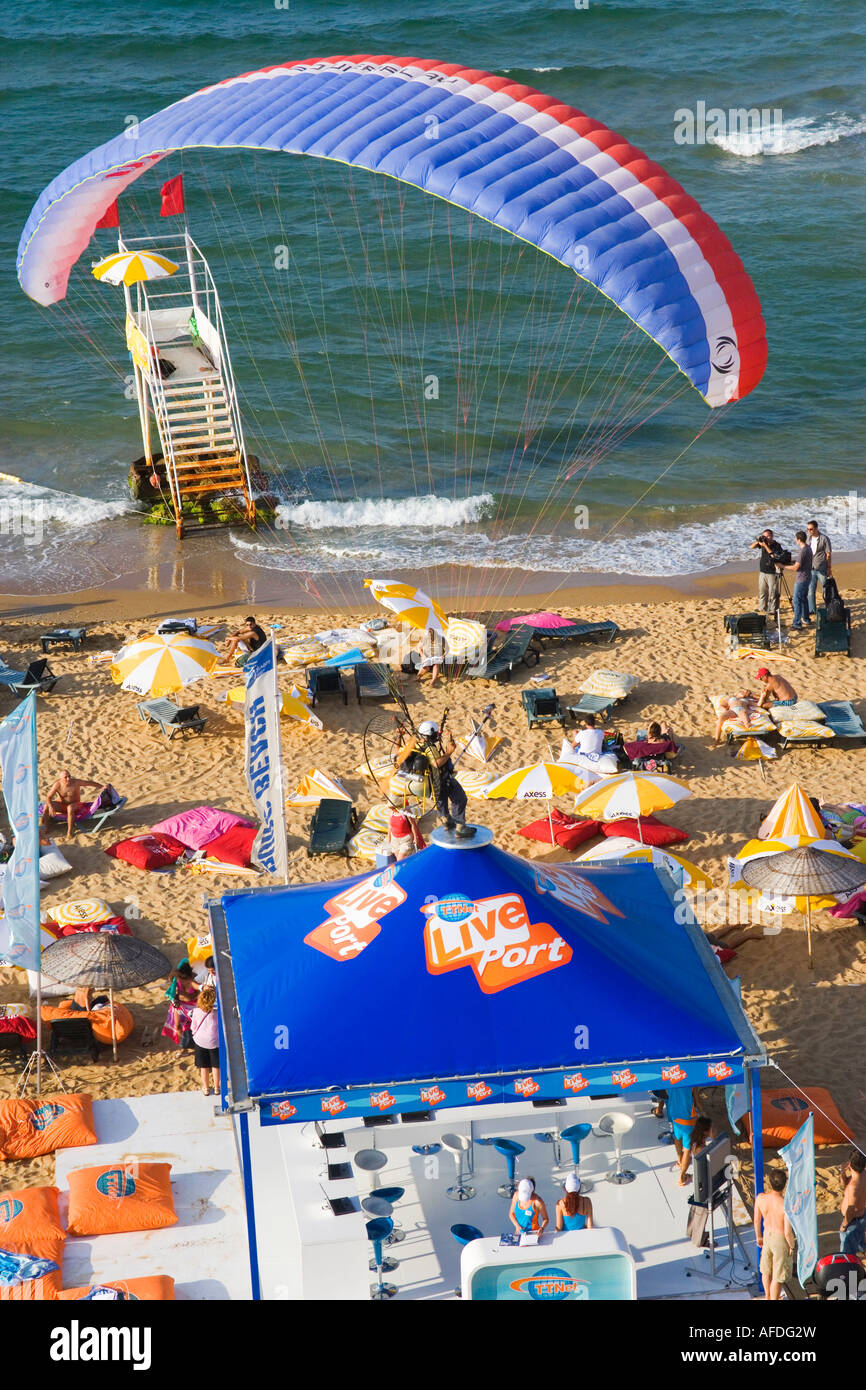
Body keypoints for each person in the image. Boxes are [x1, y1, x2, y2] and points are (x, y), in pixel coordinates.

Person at [416, 720, 474, 838]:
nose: (437, 736)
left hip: (432, 781)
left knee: (441, 797)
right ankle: (460, 827)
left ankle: (446, 821)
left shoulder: (416, 745)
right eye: (435, 734)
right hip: (441, 778)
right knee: (460, 798)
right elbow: (436, 763)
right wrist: (449, 752)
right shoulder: (430, 748)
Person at [754, 1168, 796, 1300]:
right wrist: (792, 1246)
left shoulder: (761, 1198)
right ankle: (774, 1298)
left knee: (766, 1269)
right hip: (780, 1239)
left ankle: (767, 1296)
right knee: (778, 1274)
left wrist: (758, 1236)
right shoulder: (785, 1205)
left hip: (767, 1235)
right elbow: (788, 1232)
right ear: (784, 1185)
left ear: (770, 1182)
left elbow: (756, 1220)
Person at [41, 770, 111, 836]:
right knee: (46, 806)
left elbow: (89, 783)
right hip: (63, 805)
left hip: (76, 805)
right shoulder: (57, 784)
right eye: (66, 777)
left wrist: (101, 786)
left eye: (69, 776)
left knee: (70, 808)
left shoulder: (76, 782)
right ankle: (47, 828)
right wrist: (50, 807)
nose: (68, 779)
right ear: (61, 779)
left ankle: (69, 832)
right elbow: (48, 797)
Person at [190, 985, 221, 1097]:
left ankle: (206, 1088)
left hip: (200, 1041)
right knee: (216, 1066)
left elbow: (193, 1027)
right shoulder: (218, 1013)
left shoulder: (196, 1011)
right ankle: (217, 1088)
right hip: (215, 1042)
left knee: (204, 1067)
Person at [162, 961, 199, 1047]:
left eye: (184, 978)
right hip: (179, 1006)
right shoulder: (178, 977)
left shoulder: (194, 981)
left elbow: (194, 994)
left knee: (193, 1027)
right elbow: (171, 978)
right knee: (178, 1026)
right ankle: (182, 1046)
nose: (182, 980)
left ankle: (192, 1044)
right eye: (181, 977)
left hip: (192, 1007)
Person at [750, 529, 785, 620]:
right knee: (762, 591)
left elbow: (773, 555)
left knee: (773, 593)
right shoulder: (763, 543)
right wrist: (759, 541)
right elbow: (751, 547)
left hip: (772, 572)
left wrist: (765, 545)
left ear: (771, 536)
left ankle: (773, 609)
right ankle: (762, 607)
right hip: (763, 571)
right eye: (764, 536)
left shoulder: (776, 545)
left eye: (767, 536)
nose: (765, 538)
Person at [781, 531, 813, 632]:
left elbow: (796, 568)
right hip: (807, 576)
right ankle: (806, 618)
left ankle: (797, 623)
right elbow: (801, 563)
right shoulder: (808, 548)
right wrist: (792, 562)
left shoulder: (802, 551)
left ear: (798, 539)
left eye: (796, 539)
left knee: (797, 600)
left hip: (802, 578)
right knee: (803, 598)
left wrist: (783, 566)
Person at [839, 1149, 866, 1256]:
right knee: (859, 1243)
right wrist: (842, 1174)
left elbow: (850, 1210)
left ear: (850, 1164)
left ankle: (853, 1273)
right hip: (862, 1217)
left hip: (852, 1222)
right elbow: (845, 1184)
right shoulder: (863, 1175)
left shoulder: (853, 1187)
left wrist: (844, 1226)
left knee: (848, 1255)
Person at [806, 519, 832, 617]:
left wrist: (829, 568)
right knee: (810, 590)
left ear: (816, 528)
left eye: (811, 529)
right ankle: (812, 609)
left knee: (826, 589)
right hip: (811, 568)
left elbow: (828, 554)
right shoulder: (808, 539)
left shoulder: (824, 538)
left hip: (821, 568)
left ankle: (829, 607)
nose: (809, 531)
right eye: (808, 529)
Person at [678, 1115, 713, 1187]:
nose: (712, 1129)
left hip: (699, 1175)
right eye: (711, 1128)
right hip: (704, 1180)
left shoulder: (695, 1142)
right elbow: (706, 1169)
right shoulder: (702, 1149)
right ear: (705, 1132)